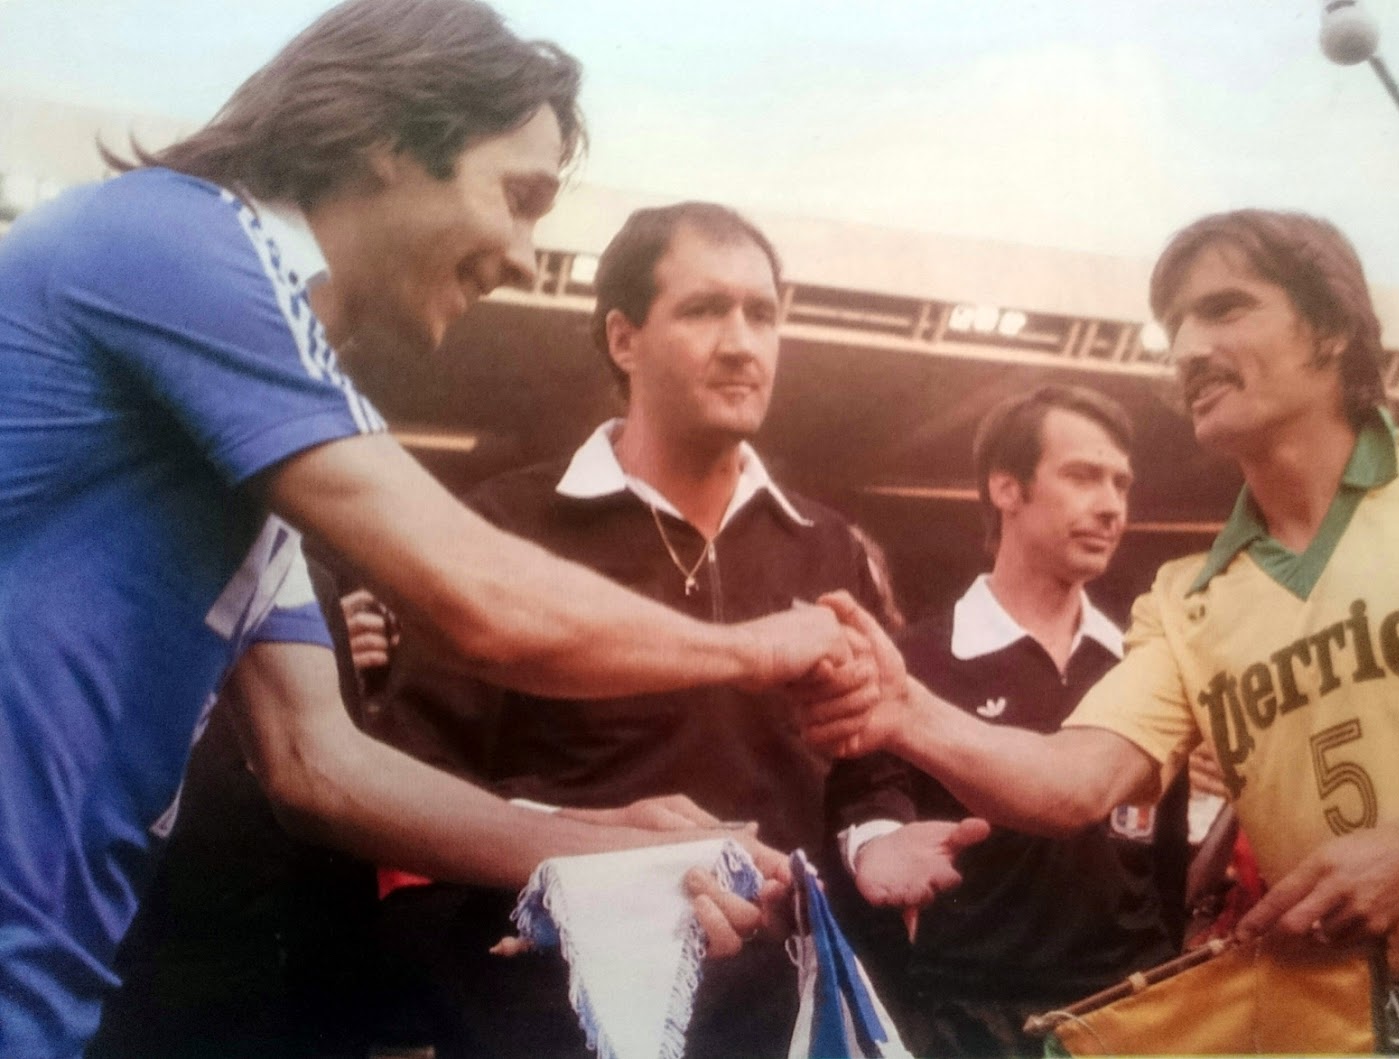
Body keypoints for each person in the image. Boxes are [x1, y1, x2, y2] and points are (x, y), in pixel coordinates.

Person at [0, 3, 858, 1054]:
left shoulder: (240, 463)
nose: (527, 256)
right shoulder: (176, 238)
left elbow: (321, 766)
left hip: (48, 996)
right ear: (389, 138)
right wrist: (754, 648)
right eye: (518, 197)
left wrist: (603, 847)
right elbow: (477, 599)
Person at [802, 209, 1399, 1055]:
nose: (1185, 348)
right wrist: (908, 712)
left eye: (1224, 308)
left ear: (1330, 328)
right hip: (1327, 1025)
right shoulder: (1188, 595)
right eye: (1175, 325)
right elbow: (1074, 783)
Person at [369, 200, 898, 1058]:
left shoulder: (828, 545)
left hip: (776, 1019)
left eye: (762, 313)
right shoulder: (503, 526)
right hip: (557, 1019)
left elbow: (866, 771)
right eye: (705, 309)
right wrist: (602, 845)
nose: (742, 342)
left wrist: (880, 836)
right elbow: (410, 783)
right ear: (624, 338)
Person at [827, 385, 1188, 1057]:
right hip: (972, 1023)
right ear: (1006, 488)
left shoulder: (1144, 664)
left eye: (1121, 483)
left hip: (1133, 1010)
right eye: (1083, 476)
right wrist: (877, 842)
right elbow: (867, 797)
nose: (1110, 505)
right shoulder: (916, 661)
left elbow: (1165, 864)